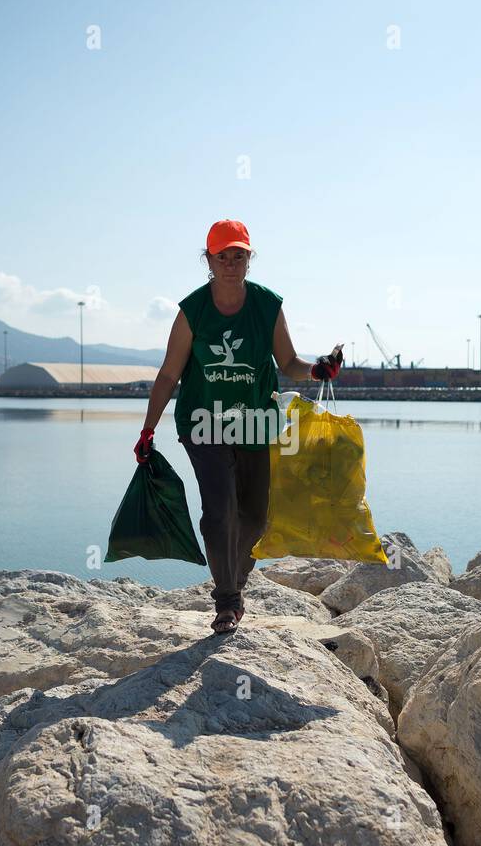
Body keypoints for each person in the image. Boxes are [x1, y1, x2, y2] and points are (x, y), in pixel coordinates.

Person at [135, 219, 343, 634]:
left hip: (254, 421)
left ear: (249, 258)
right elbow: (167, 376)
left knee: (255, 517)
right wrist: (148, 430)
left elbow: (288, 363)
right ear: (208, 260)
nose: (231, 263)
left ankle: (236, 583)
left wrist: (318, 370)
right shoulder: (192, 310)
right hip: (203, 422)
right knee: (219, 511)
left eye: (239, 255)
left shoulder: (267, 305)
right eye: (222, 256)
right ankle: (227, 602)